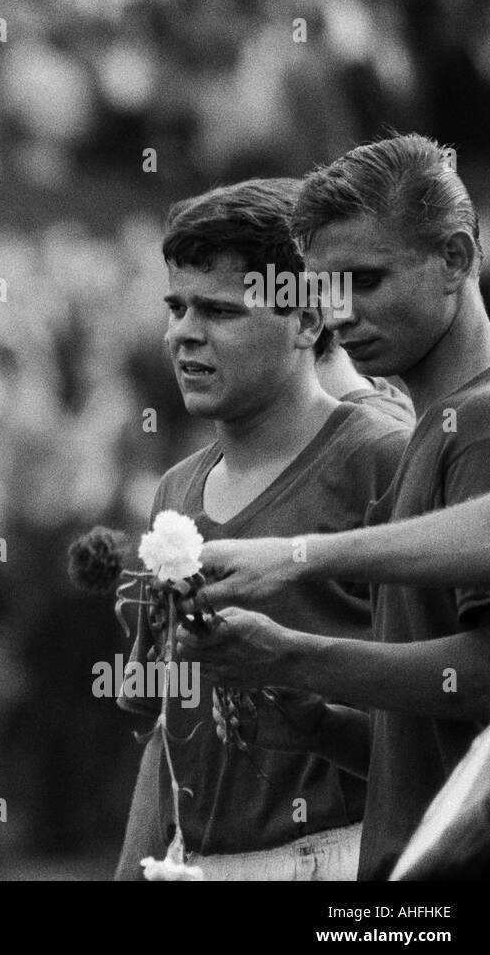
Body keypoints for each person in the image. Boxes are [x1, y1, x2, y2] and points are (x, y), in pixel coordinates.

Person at [178, 134, 490, 879]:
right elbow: (448, 743)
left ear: (454, 260)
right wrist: (319, 723)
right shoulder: (435, 428)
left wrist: (297, 655)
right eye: (325, 286)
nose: (340, 312)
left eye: (367, 279)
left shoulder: (484, 425)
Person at [115, 178, 411, 881]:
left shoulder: (383, 459)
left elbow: (448, 717)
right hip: (195, 861)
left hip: (342, 854)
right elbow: (167, 726)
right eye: (177, 306)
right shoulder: (177, 489)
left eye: (220, 310)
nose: (184, 331)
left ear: (308, 322)